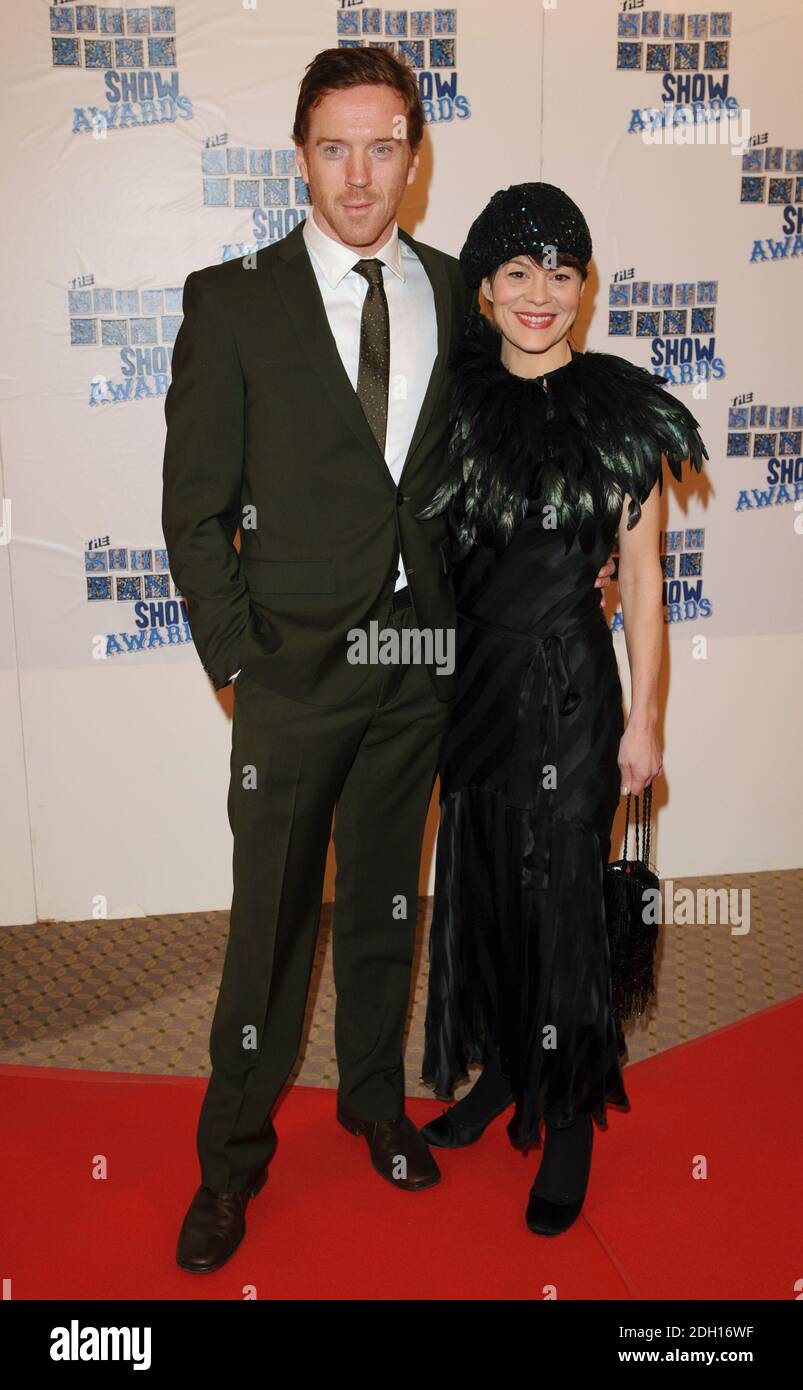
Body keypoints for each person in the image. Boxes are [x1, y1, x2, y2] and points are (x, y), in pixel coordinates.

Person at [162, 51, 614, 1275]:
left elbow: (515, 453)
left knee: (382, 906)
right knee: (268, 929)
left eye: (383, 146)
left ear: (414, 158)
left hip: (422, 662)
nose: (359, 174)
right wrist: (238, 662)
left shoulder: (465, 292)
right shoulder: (232, 301)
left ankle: (373, 1101)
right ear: (299, 155)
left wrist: (579, 557)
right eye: (333, 147)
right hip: (291, 670)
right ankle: (230, 1161)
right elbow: (193, 513)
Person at [417, 183, 707, 1236]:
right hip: (478, 692)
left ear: (584, 289)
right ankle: (503, 1077)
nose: (540, 293)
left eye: (561, 271)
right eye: (516, 271)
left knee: (565, 910)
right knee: (487, 887)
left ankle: (570, 1117)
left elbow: (638, 578)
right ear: (483, 291)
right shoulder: (448, 405)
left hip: (576, 694)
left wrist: (643, 720)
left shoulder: (615, 411)